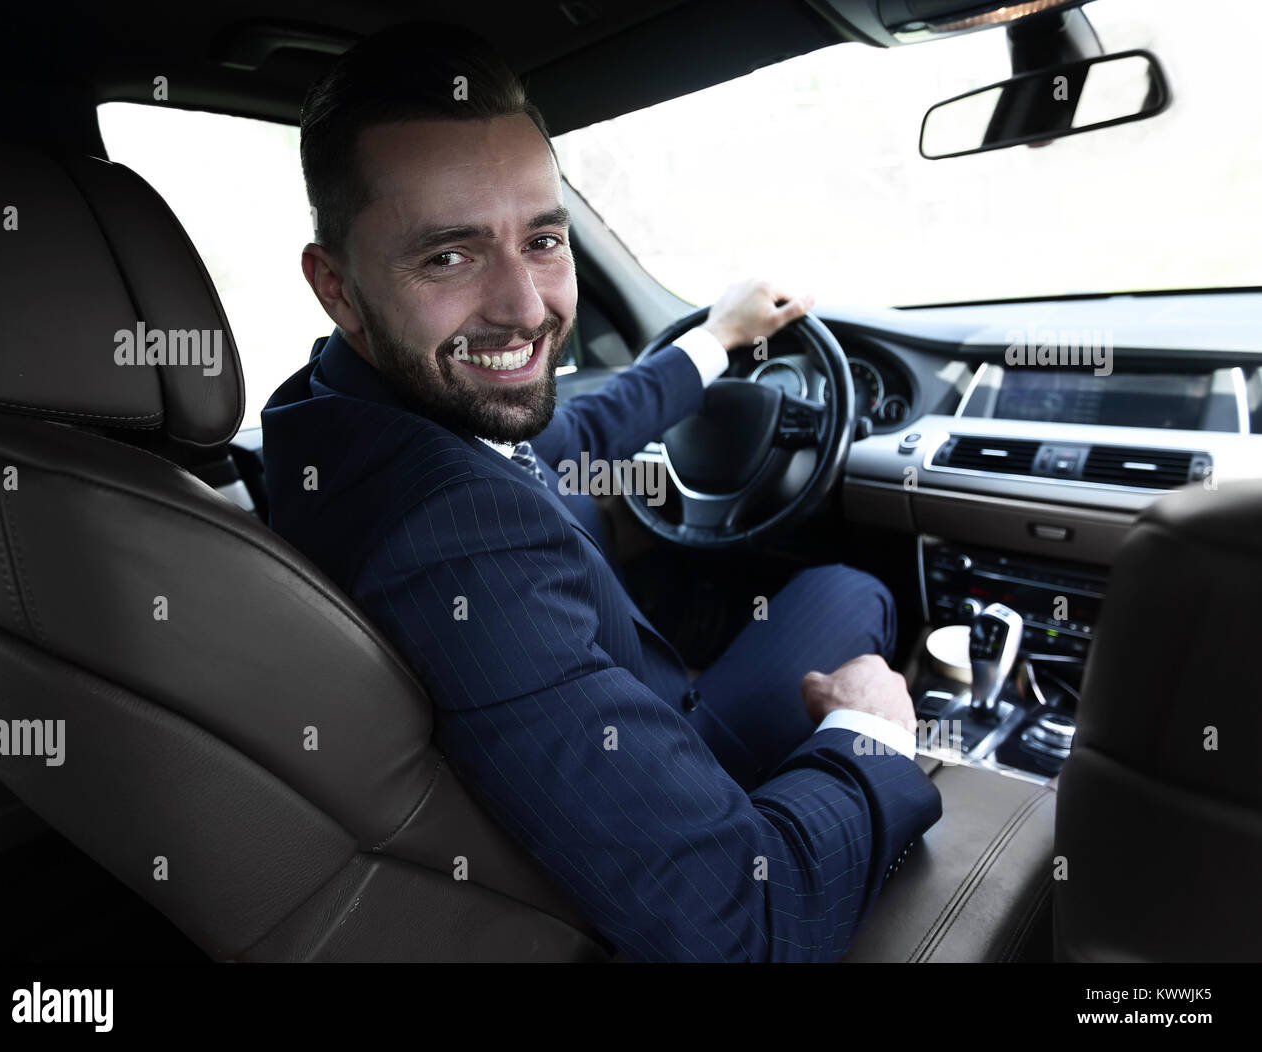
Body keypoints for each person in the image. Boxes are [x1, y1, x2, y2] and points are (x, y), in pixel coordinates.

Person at [261, 21, 940, 962]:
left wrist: (713, 342)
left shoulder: (328, 409)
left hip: (616, 733)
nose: (528, 308)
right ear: (334, 285)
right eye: (448, 258)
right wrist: (872, 730)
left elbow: (564, 434)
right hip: (675, 789)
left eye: (543, 239)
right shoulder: (457, 544)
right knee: (861, 599)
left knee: (842, 589)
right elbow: (747, 927)